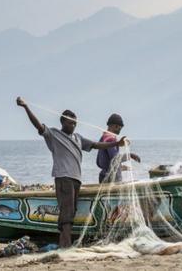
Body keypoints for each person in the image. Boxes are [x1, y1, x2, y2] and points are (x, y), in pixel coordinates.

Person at [16, 97, 116, 248]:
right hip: (63, 178)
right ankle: (65, 246)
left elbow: (96, 145)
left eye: (75, 123)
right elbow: (38, 125)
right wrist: (25, 107)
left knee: (72, 212)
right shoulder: (54, 134)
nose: (73, 125)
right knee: (66, 213)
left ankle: (66, 243)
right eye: (70, 122)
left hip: (76, 179)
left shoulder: (78, 138)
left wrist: (117, 143)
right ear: (63, 122)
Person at [96, 113, 141, 183]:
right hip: (110, 179)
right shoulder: (109, 139)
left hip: (104, 175)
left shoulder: (103, 137)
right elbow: (115, 158)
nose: (119, 131)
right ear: (115, 126)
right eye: (119, 128)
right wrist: (130, 155)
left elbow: (102, 161)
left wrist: (121, 167)